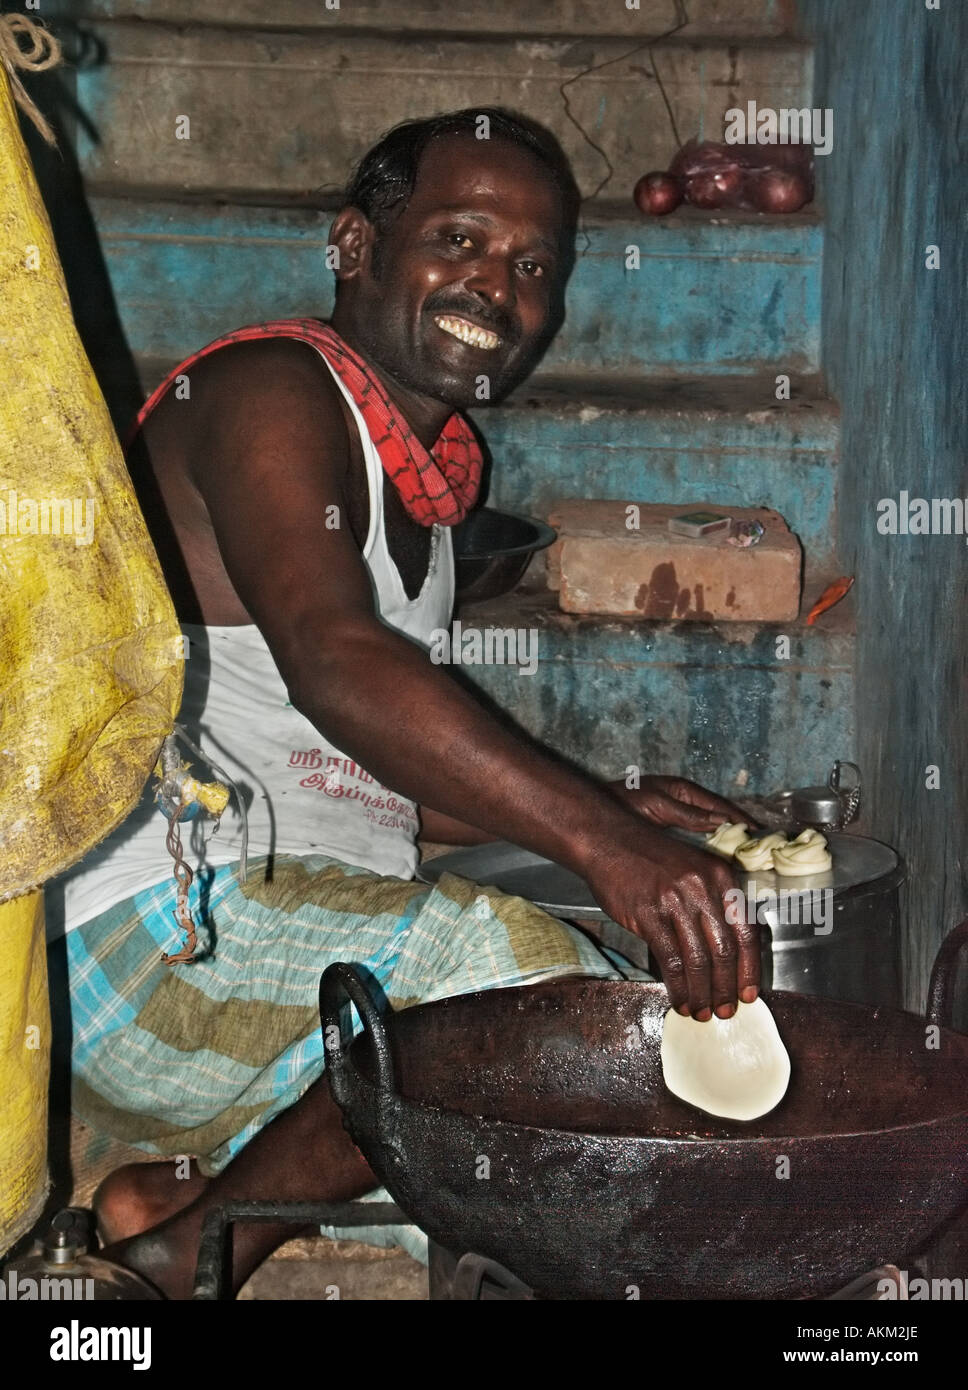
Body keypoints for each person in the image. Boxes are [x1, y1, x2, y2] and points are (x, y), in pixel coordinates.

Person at [54, 108, 758, 1298]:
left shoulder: (424, 504)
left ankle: (208, 1197)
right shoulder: (269, 388)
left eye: (534, 265)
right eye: (460, 238)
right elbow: (337, 668)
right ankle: (189, 1252)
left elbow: (389, 791)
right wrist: (603, 841)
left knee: (583, 1108)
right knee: (529, 990)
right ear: (354, 245)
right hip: (159, 945)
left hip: (285, 961)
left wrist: (612, 804)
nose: (496, 282)